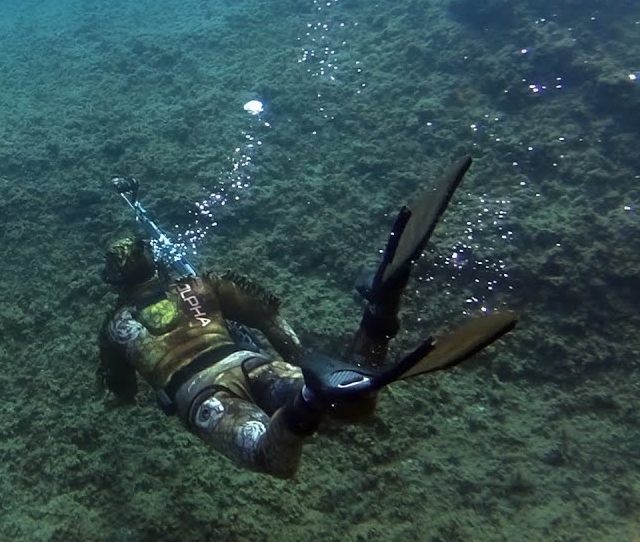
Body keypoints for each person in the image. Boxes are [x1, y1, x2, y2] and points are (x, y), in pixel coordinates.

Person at [96, 156, 517, 479]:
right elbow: (270, 317)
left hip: (199, 395)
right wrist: (303, 362)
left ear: (114, 280)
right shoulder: (203, 284)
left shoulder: (115, 327)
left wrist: (131, 388)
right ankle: (377, 317)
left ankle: (308, 402)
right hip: (248, 362)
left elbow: (122, 389)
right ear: (152, 263)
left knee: (270, 457)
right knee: (355, 404)